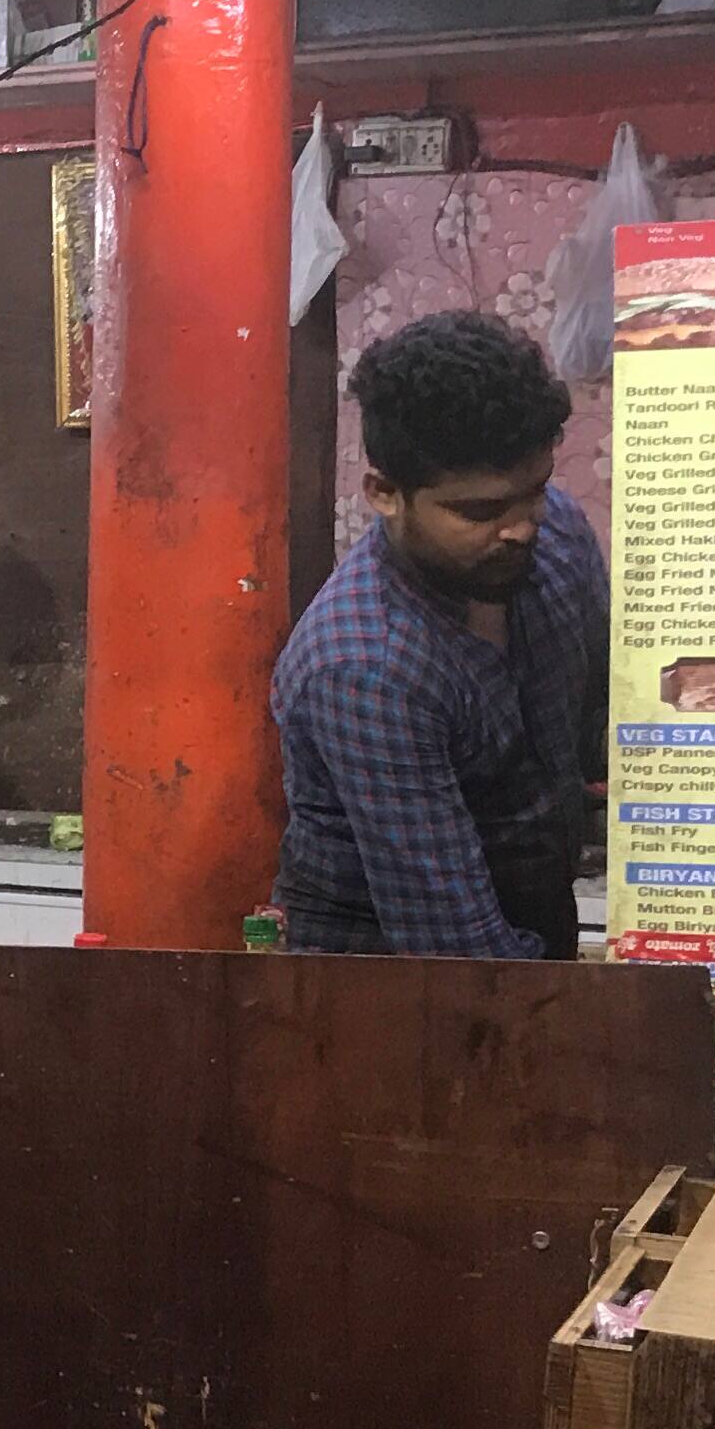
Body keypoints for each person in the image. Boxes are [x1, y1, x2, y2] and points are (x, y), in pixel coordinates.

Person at [271, 310, 608, 960]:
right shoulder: (366, 669)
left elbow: (599, 722)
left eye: (532, 492)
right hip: (387, 990)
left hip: (535, 930)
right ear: (384, 494)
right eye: (477, 511)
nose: (520, 528)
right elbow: (456, 951)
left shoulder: (557, 535)